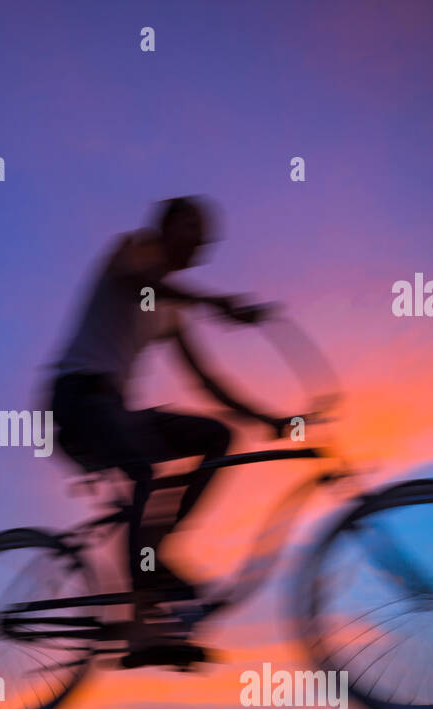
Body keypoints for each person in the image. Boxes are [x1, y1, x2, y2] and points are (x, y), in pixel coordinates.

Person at [46, 196, 289, 667]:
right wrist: (215, 301)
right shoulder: (133, 251)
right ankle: (144, 611)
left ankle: (152, 557)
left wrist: (270, 418)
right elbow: (135, 282)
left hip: (115, 409)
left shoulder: (171, 309)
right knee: (143, 473)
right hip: (77, 400)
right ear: (166, 226)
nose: (203, 240)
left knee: (215, 438)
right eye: (193, 226)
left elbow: (207, 379)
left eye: (206, 233)